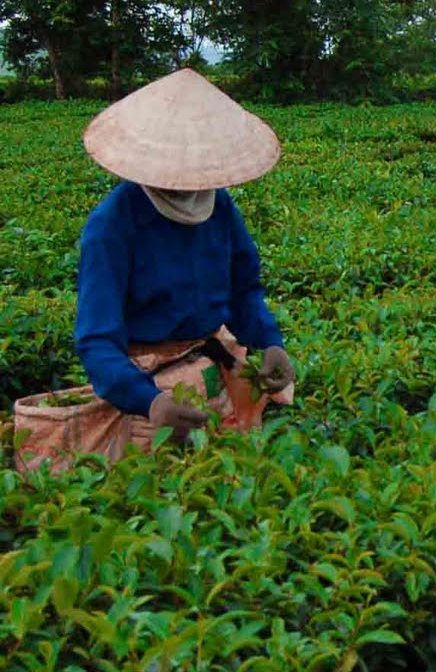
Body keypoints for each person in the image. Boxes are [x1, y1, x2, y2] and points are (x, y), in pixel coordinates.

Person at [14, 69, 295, 474]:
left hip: (210, 368)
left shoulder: (220, 208)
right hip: (147, 385)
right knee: (160, 482)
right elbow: (97, 341)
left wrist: (269, 342)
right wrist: (151, 402)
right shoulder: (112, 225)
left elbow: (242, 289)